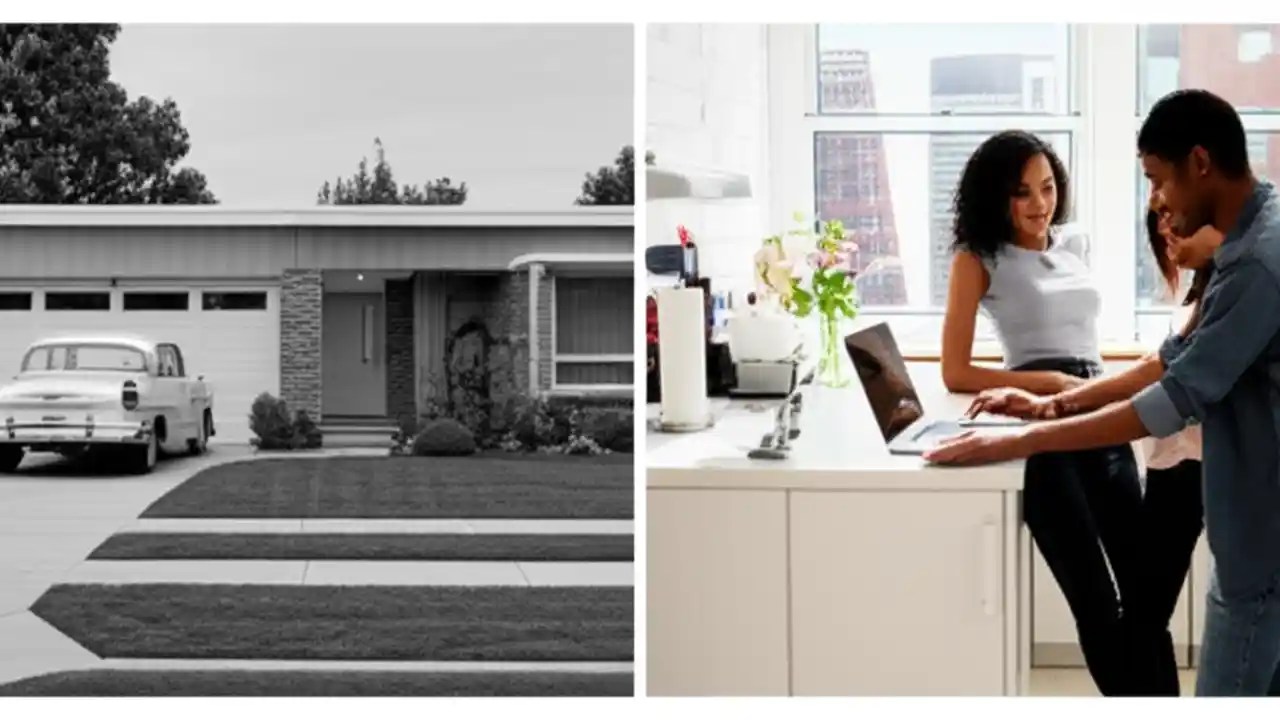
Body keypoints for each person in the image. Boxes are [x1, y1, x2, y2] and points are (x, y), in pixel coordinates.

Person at [927, 89, 1280, 697]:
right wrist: (1053, 400)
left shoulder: (1252, 263)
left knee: (1159, 624)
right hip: (1225, 507)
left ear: (1199, 163)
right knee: (1115, 607)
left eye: (1157, 181)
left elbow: (1174, 392)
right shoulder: (1254, 233)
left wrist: (1041, 420)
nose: (1157, 204)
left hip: (1249, 529)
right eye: (1022, 191)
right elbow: (1171, 360)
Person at [939, 130, 1151, 695]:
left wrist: (1081, 386)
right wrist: (1051, 382)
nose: (1040, 204)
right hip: (1040, 424)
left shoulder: (1072, 243)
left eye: (1048, 187)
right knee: (1094, 596)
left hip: (1100, 410)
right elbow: (956, 371)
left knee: (1144, 589)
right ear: (996, 197)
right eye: (1022, 192)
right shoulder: (977, 258)